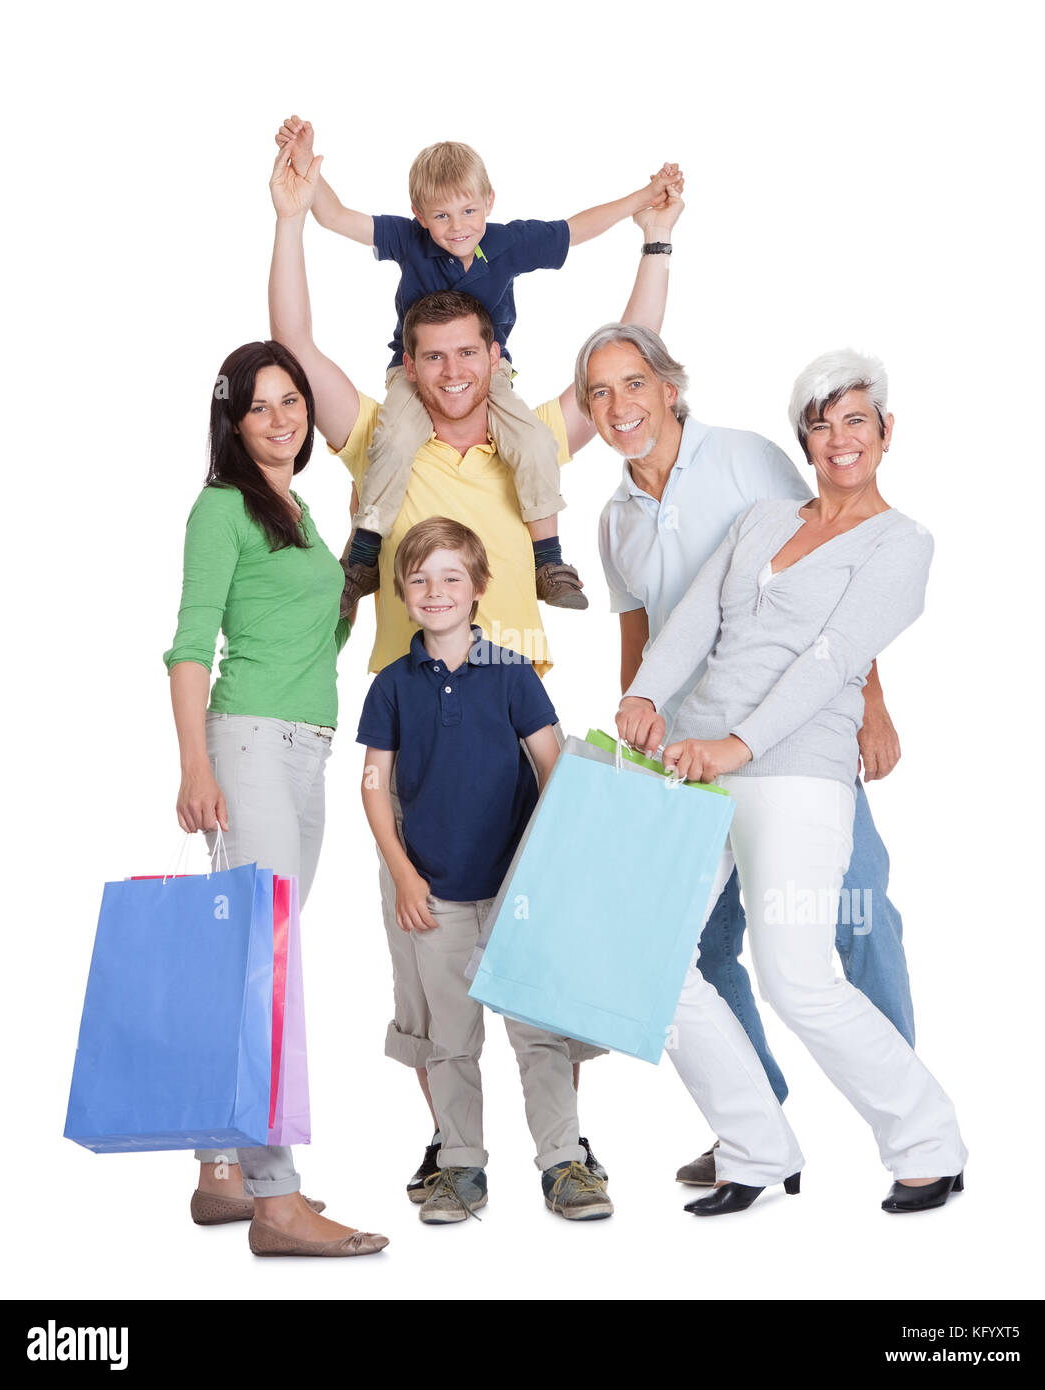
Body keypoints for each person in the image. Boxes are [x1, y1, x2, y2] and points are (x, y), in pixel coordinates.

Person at [266, 133, 683, 1199]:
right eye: (433, 358)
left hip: (514, 713)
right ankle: (454, 1148)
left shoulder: (526, 437)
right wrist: (292, 215)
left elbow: (628, 359)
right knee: (434, 955)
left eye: (469, 355)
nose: (452, 372)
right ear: (409, 366)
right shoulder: (378, 442)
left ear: (495, 356)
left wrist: (657, 238)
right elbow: (297, 343)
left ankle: (564, 1145)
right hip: (412, 725)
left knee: (537, 943)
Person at [616, 349, 967, 1214]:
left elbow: (832, 661)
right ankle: (755, 1149)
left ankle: (928, 1143)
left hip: (796, 774)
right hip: (691, 764)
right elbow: (695, 617)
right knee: (650, 962)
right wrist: (643, 693)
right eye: (822, 422)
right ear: (802, 439)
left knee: (798, 977)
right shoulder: (762, 520)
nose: (839, 438)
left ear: (886, 432)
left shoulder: (901, 543)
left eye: (856, 420)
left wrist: (737, 745)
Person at [163, 339, 388, 1257]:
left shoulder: (297, 513)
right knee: (270, 972)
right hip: (247, 744)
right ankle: (277, 1196)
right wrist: (195, 766)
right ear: (233, 420)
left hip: (305, 751)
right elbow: (188, 645)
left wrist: (349, 594)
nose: (283, 417)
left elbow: (310, 646)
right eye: (260, 406)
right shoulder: (221, 509)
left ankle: (221, 1168)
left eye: (291, 400)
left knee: (252, 965)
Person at [275, 115, 681, 613]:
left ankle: (548, 558)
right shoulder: (408, 241)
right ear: (420, 216)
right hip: (406, 381)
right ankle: (361, 556)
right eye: (441, 216)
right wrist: (305, 177)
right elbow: (336, 217)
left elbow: (576, 231)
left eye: (469, 211)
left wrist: (645, 203)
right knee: (395, 438)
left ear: (490, 202)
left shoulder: (505, 244)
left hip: (499, 378)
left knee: (533, 440)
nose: (458, 227)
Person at [358, 517, 612, 1223]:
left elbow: (554, 767)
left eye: (450, 577)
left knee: (539, 1034)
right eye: (419, 579)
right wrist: (405, 876)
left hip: (514, 893)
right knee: (448, 1041)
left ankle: (564, 1164)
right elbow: (373, 783)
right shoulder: (391, 686)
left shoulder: (512, 673)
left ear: (477, 589)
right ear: (403, 595)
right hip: (433, 893)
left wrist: (546, 876)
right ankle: (460, 1167)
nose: (434, 591)